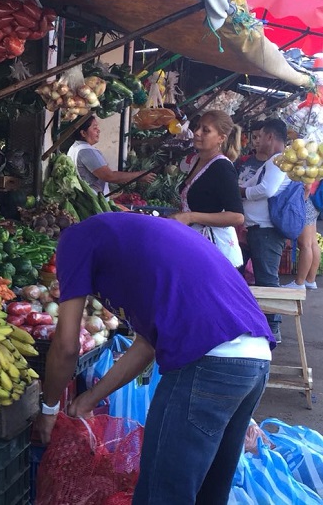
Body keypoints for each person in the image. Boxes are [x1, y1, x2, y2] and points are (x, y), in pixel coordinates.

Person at [36, 212, 273, 504]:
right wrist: (88, 399)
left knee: (162, 494)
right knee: (209, 493)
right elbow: (146, 346)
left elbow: (66, 346)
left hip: (208, 362)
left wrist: (48, 410)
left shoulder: (74, 240)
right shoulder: (141, 242)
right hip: (255, 360)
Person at [170, 110, 245, 267]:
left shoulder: (222, 168)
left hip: (215, 250)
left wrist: (190, 217)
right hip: (196, 245)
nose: (197, 133)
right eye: (198, 127)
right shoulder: (197, 160)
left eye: (206, 130)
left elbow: (237, 217)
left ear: (221, 138)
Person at [239, 118, 290, 342]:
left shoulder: (278, 160)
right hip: (258, 229)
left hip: (266, 231)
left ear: (270, 137)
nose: (257, 141)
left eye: (261, 136)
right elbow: (253, 183)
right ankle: (257, 323)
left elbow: (267, 190)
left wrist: (242, 193)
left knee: (267, 281)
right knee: (255, 277)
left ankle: (273, 328)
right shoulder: (274, 162)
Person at [68, 116, 155, 195]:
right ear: (83, 133)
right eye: (94, 128)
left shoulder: (75, 147)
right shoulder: (86, 151)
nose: (99, 130)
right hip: (90, 199)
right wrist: (139, 175)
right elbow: (109, 176)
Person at [285, 180, 322, 290]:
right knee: (312, 242)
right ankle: (310, 280)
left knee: (305, 244)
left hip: (307, 199)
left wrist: (304, 198)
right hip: (315, 200)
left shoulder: (309, 163)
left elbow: (308, 185)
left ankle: (299, 282)